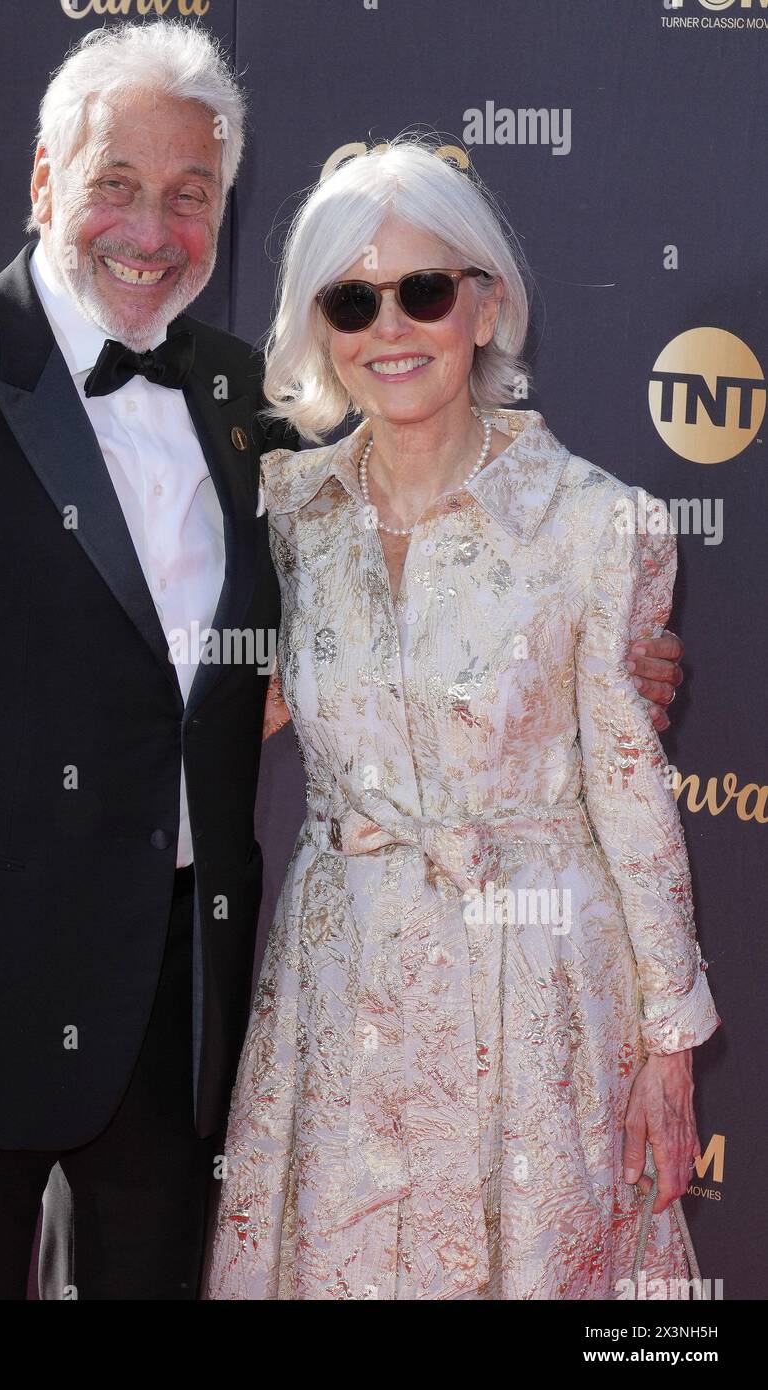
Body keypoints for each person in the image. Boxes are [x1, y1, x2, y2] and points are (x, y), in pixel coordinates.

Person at [0, 21, 685, 1301]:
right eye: (116, 186)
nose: (152, 229)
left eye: (190, 196)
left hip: (184, 1018)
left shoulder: (246, 405)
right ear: (42, 182)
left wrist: (597, 666)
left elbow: (348, 637)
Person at [204, 136, 719, 1301]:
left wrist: (667, 1043)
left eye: (423, 290)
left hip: (534, 984)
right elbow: (234, 695)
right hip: (340, 991)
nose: (390, 327)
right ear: (320, 329)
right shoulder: (289, 513)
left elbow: (632, 802)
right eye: (352, 298)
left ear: (482, 308)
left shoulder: (597, 528)